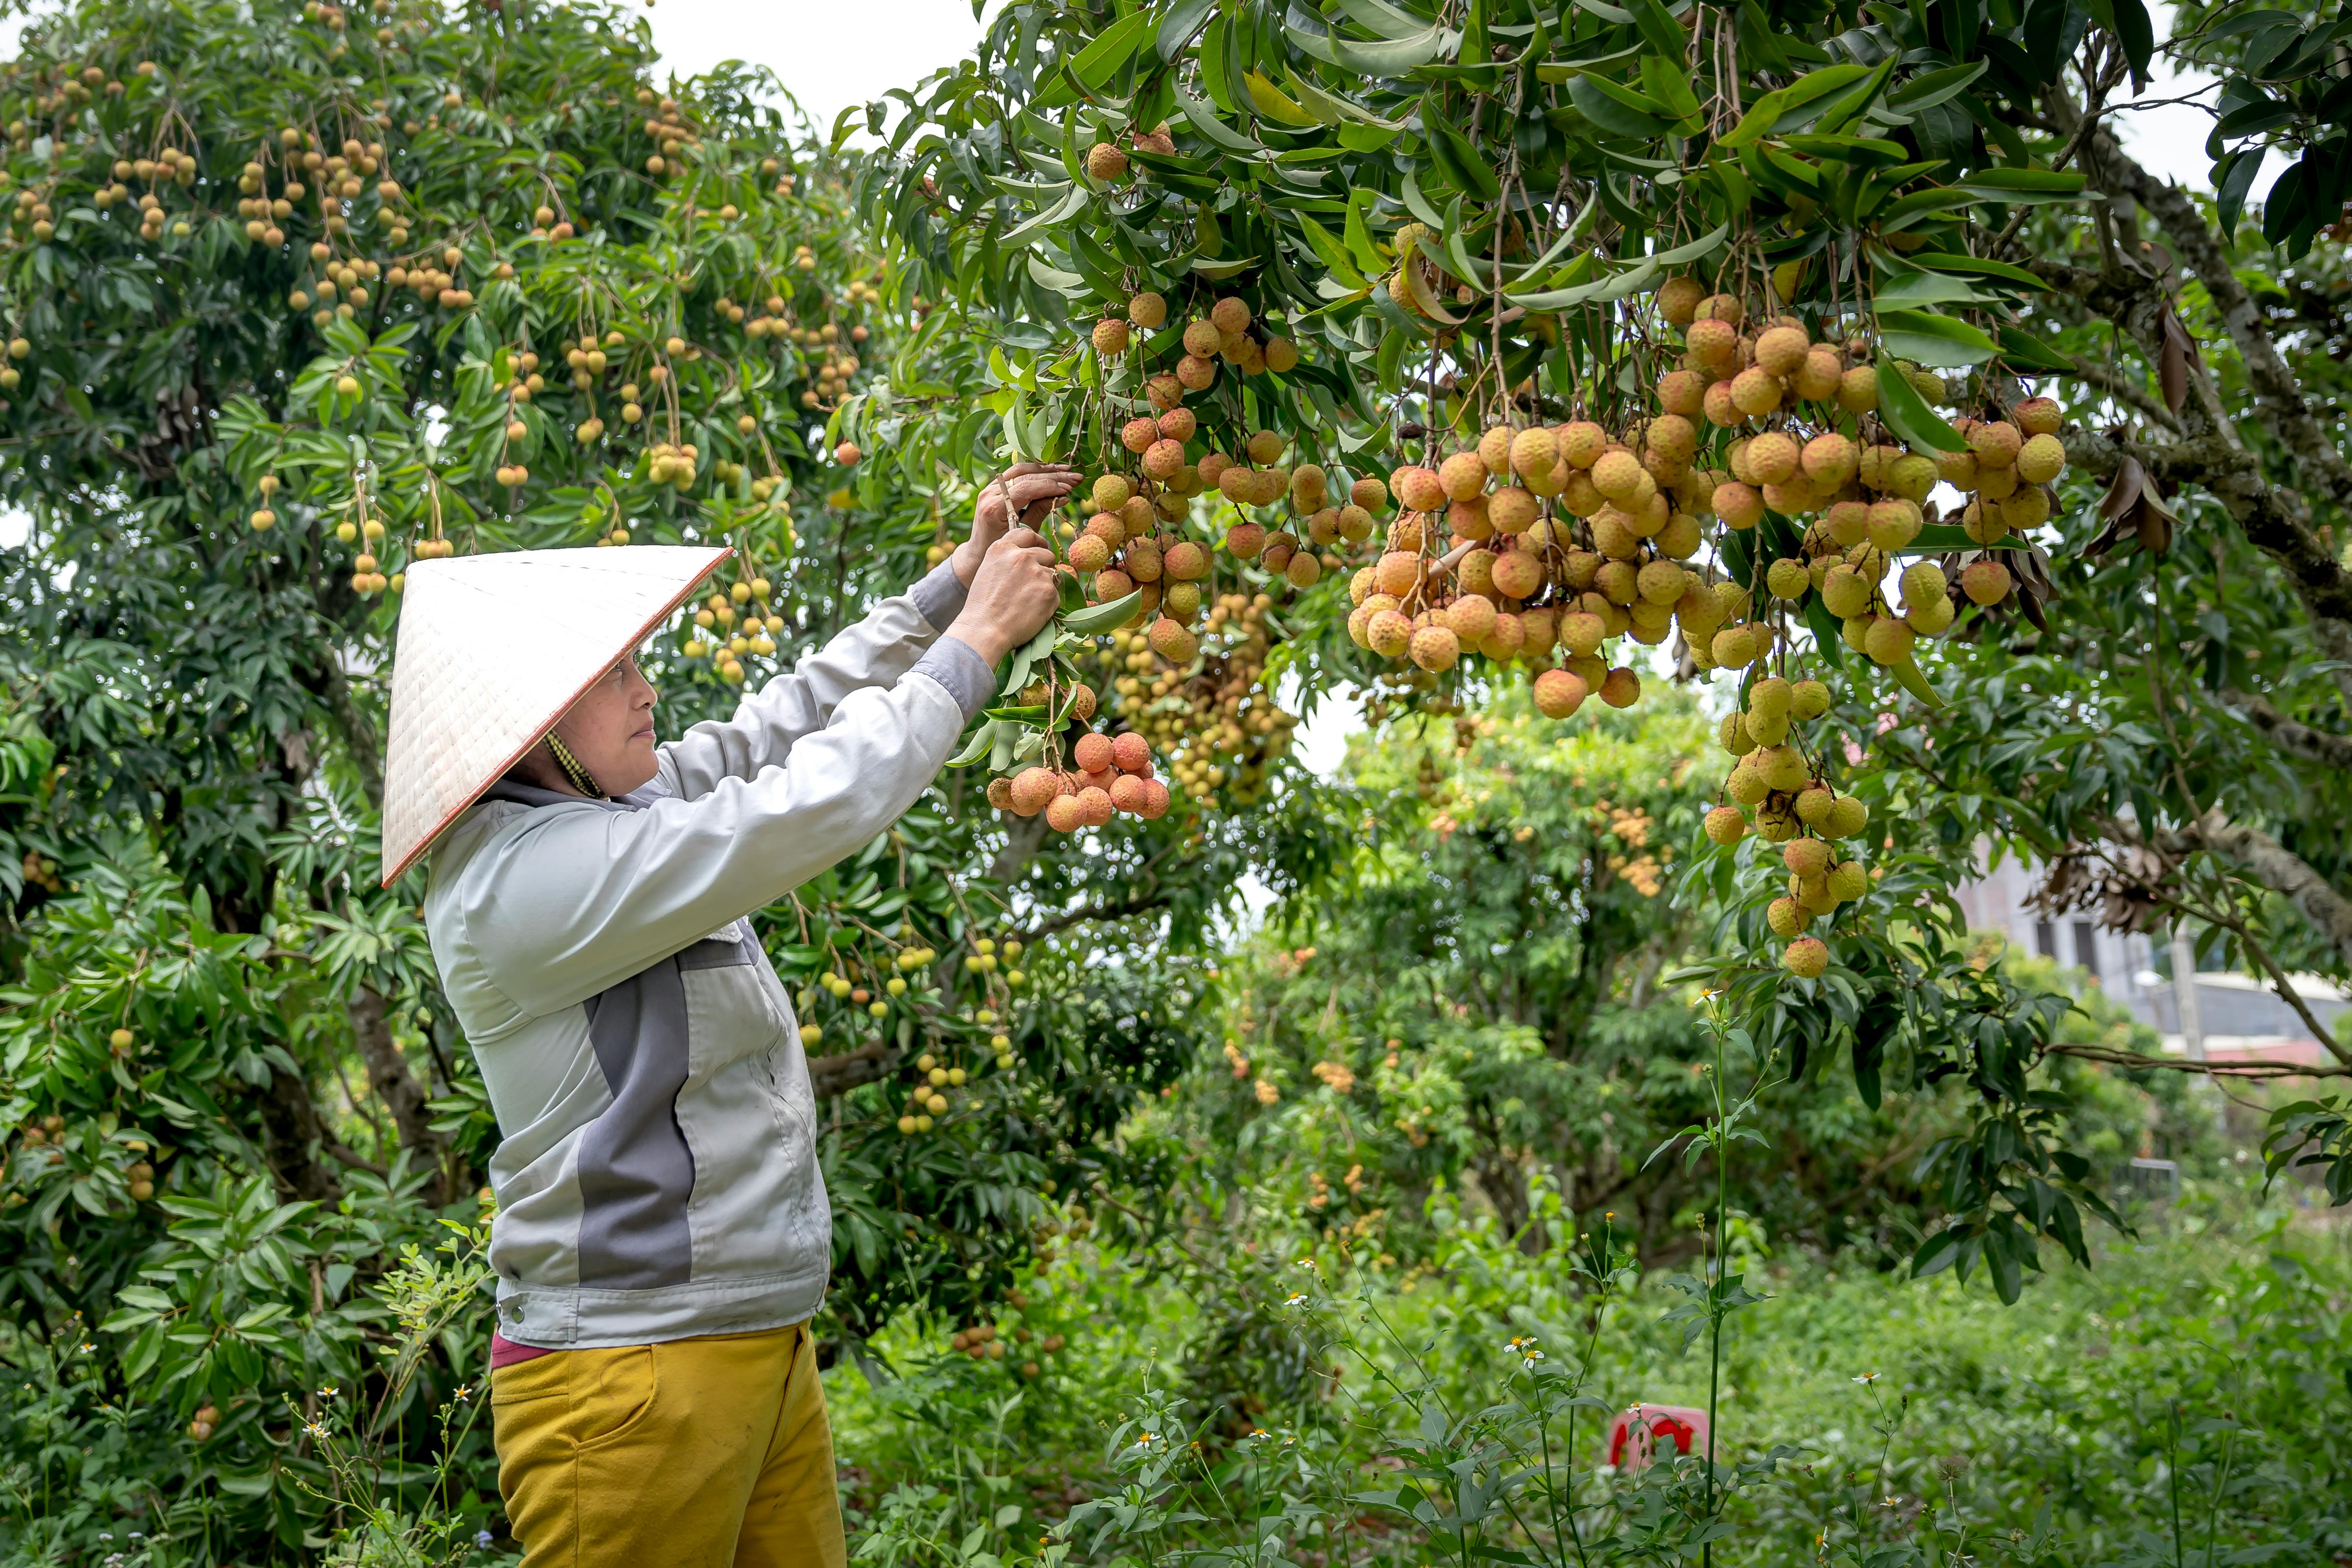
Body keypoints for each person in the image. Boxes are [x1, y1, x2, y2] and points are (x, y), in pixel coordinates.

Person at [376, 462, 1075, 1568]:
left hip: (748, 1333)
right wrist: (977, 646)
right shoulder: (520, 885)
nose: (648, 688)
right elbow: (796, 809)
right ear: (537, 725)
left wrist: (954, 580)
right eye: (618, 673)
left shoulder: (612, 810)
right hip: (627, 1374)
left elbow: (777, 728)